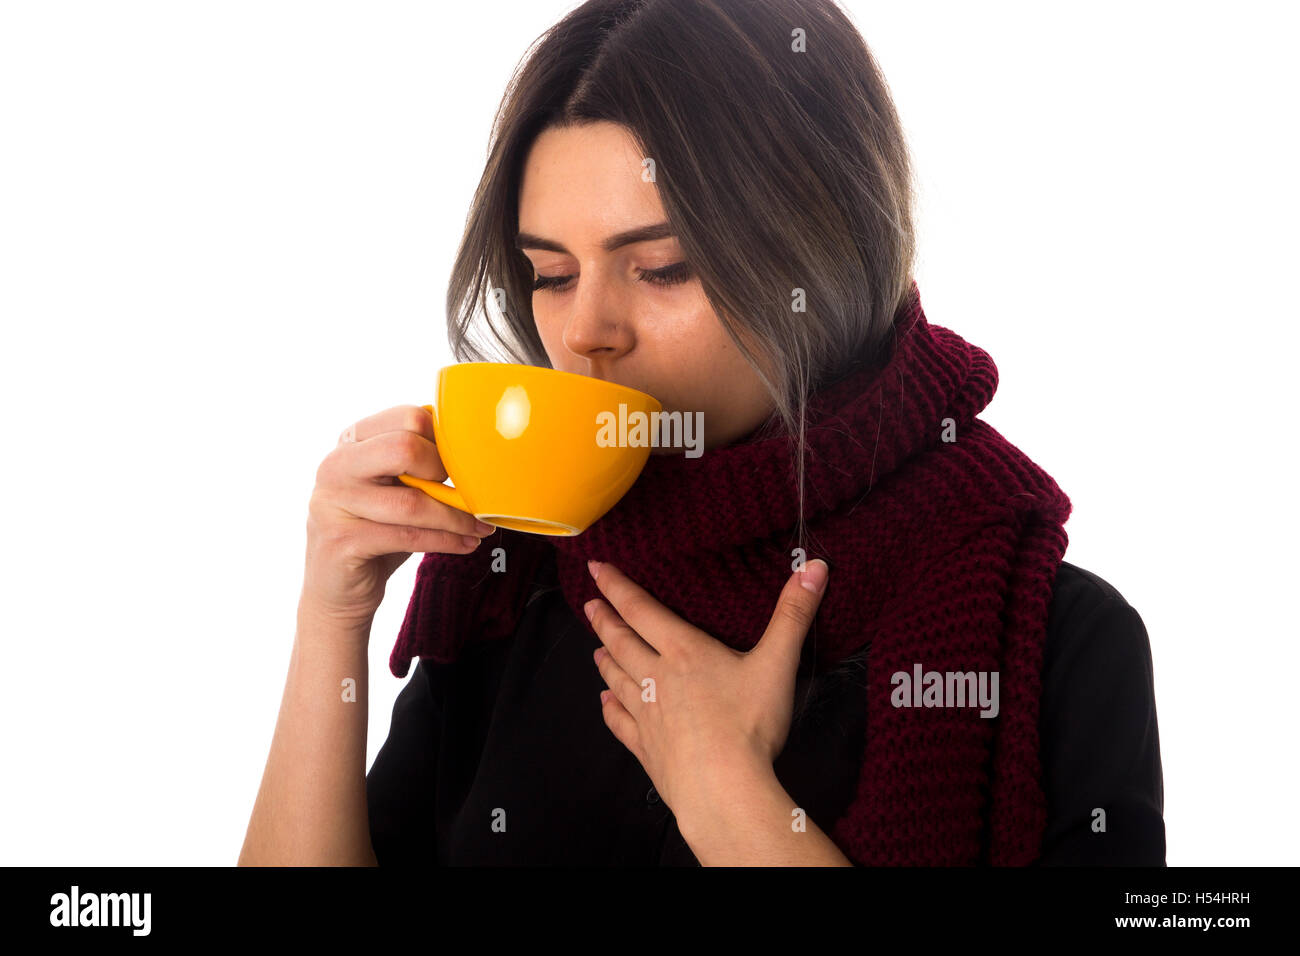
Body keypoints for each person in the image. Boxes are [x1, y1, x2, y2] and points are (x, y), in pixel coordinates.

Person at [238, 0, 1164, 866]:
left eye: (664, 267)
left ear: (819, 250)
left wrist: (734, 805)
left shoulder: (1050, 635)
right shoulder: (509, 585)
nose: (587, 330)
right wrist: (333, 617)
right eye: (552, 275)